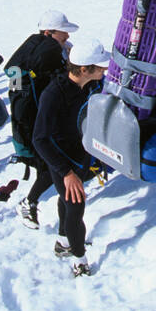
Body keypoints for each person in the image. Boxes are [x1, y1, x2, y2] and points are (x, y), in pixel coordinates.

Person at [32, 41, 109, 277]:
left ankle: (64, 242)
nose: (104, 71)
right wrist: (67, 173)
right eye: (99, 67)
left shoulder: (89, 84)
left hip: (80, 154)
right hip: (62, 159)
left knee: (67, 201)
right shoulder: (54, 94)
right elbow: (40, 139)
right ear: (84, 69)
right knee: (76, 207)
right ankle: (79, 260)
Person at [4, 10, 79, 229]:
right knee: (51, 165)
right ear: (49, 32)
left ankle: (58, 217)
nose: (66, 36)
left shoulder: (31, 46)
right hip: (37, 120)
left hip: (26, 119)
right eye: (62, 32)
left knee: (47, 165)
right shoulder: (50, 50)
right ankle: (30, 202)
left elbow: (14, 77)